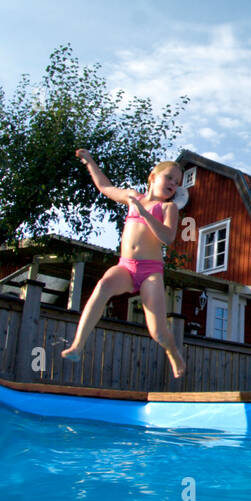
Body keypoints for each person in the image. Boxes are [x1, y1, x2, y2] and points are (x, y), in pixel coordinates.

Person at [62, 150, 186, 378]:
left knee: (157, 332)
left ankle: (173, 352)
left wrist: (146, 215)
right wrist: (90, 162)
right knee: (102, 286)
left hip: (151, 273)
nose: (173, 184)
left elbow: (167, 238)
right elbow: (105, 187)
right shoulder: (133, 198)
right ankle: (77, 346)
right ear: (153, 177)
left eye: (177, 183)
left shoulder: (169, 208)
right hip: (126, 266)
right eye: (169, 177)